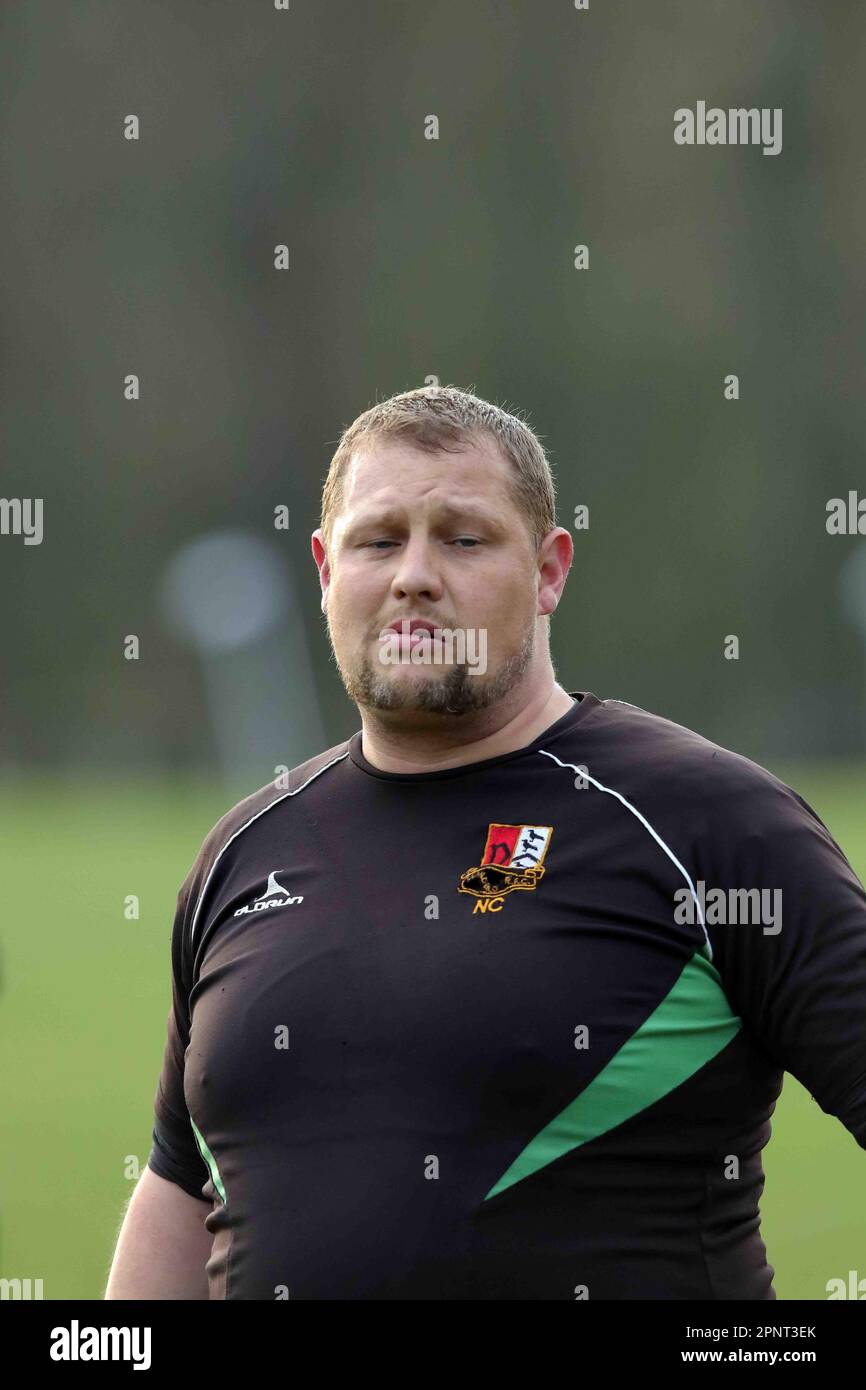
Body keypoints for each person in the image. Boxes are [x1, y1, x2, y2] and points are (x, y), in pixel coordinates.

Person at [105, 384, 866, 1300]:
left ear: (549, 571)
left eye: (463, 539)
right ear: (324, 570)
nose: (414, 574)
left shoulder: (708, 824)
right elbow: (181, 1185)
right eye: (379, 540)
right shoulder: (245, 850)